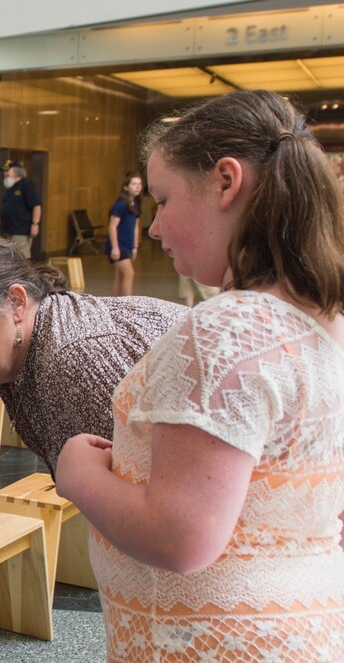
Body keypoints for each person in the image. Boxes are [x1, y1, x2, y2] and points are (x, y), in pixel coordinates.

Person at [56, 90, 344, 660]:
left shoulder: (226, 331)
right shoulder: (323, 319)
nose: (156, 227)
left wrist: (78, 475)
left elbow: (180, 537)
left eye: (163, 200)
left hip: (207, 638)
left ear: (225, 182)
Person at [0, 225, 186, 476]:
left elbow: (168, 501)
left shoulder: (73, 359)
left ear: (16, 302)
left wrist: (75, 483)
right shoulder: (23, 348)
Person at [105, 172, 143, 296]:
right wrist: (115, 247)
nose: (138, 186)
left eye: (139, 184)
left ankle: (114, 303)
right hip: (119, 245)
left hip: (128, 245)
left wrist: (135, 246)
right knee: (129, 273)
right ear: (126, 187)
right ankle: (127, 304)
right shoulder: (120, 205)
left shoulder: (135, 204)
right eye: (134, 184)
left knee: (120, 276)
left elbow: (136, 227)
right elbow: (112, 226)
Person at [0, 160, 41, 259]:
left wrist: (35, 224)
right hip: (7, 230)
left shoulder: (26, 184)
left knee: (21, 258)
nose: (5, 173)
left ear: (16, 171)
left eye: (8, 171)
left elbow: (36, 205)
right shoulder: (10, 188)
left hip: (20, 231)